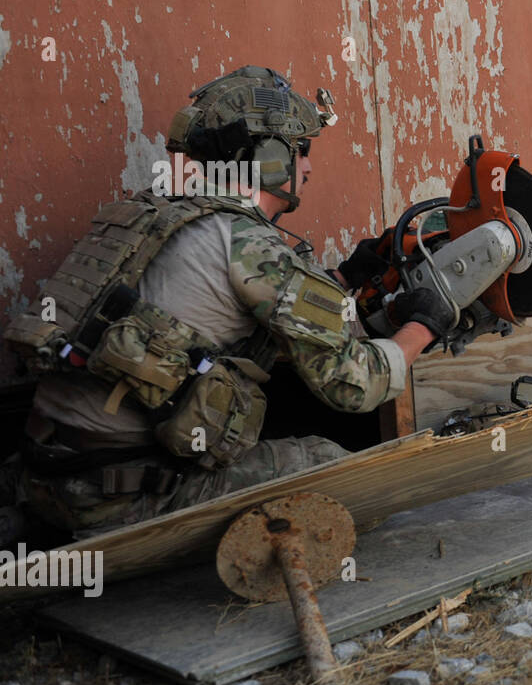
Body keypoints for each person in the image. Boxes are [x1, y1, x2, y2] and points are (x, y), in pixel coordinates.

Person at [7, 66, 450, 538]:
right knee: (334, 466)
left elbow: (217, 300)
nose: (308, 167)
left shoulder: (149, 214)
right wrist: (425, 324)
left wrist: (341, 279)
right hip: (115, 496)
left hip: (38, 472)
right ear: (270, 158)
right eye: (301, 151)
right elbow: (354, 386)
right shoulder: (248, 244)